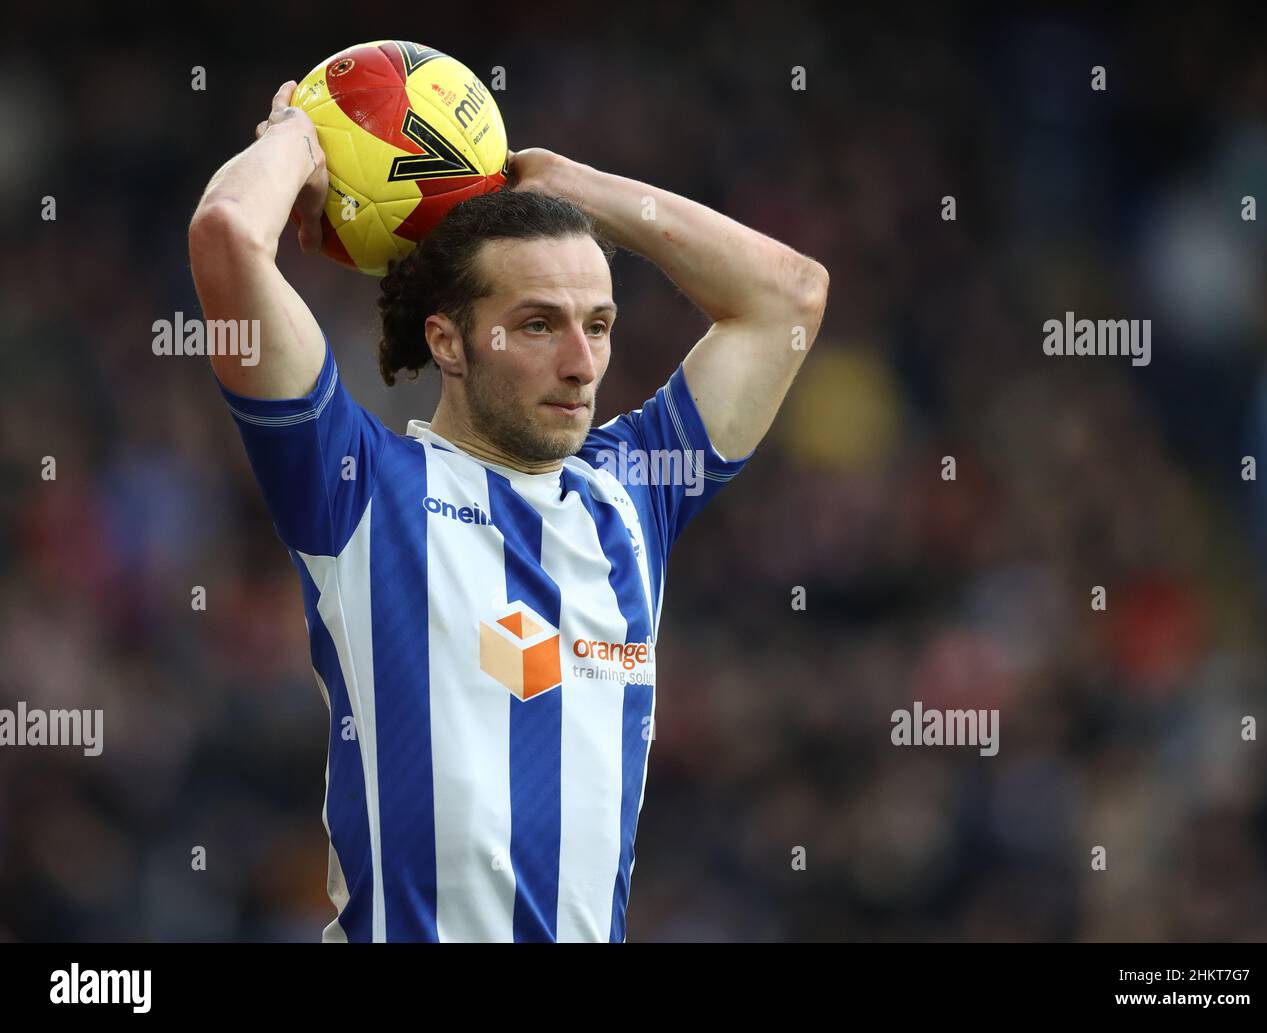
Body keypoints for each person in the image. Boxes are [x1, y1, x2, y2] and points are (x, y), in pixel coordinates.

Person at [188, 80, 828, 942]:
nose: (581, 363)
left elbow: (787, 296)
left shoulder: (636, 493)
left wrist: (574, 186)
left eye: (597, 324)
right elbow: (229, 236)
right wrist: (305, 139)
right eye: (537, 325)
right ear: (447, 339)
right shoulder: (356, 486)